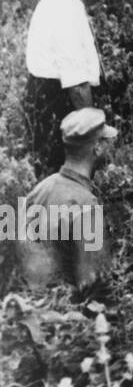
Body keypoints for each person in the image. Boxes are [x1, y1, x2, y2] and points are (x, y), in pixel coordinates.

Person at [4, 108, 119, 297]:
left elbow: (22, 257)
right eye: (106, 141)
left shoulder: (39, 189)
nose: (110, 146)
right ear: (97, 148)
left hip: (34, 306)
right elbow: (93, 282)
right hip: (67, 314)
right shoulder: (86, 204)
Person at [23, 0, 106, 175]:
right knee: (63, 172)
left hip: (44, 97)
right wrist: (91, 129)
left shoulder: (59, 2)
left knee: (49, 170)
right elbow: (77, 83)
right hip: (56, 101)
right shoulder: (67, 10)